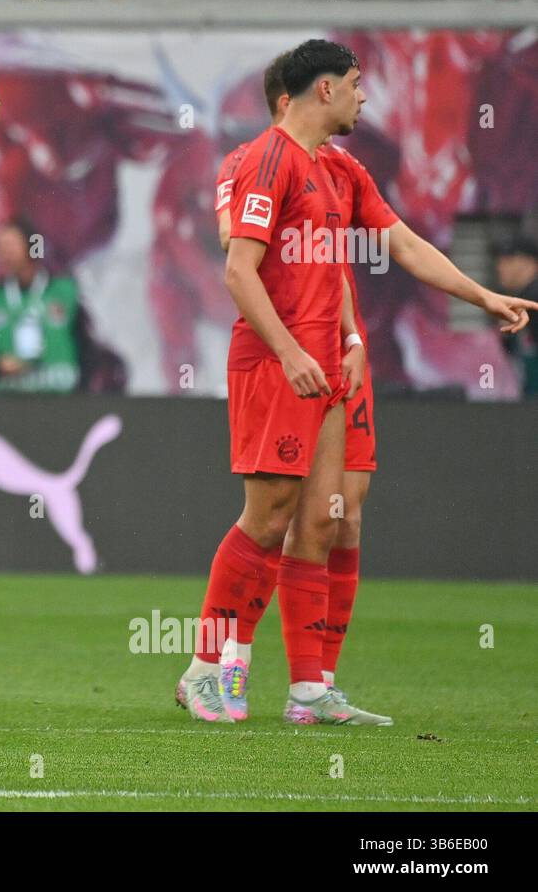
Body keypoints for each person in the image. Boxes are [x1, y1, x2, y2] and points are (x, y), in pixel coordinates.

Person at [181, 50, 538, 725]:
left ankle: (310, 691)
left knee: (328, 516)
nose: (364, 99)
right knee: (268, 517)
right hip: (275, 363)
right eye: (355, 85)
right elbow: (238, 270)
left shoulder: (341, 170)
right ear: (323, 88)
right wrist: (289, 352)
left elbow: (402, 245)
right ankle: (206, 666)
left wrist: (481, 295)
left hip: (328, 365)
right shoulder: (266, 160)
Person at [0, 218, 83, 393]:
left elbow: (85, 347)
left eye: (10, 245)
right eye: (0, 247)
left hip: (61, 401)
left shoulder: (64, 291)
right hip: (5, 403)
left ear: (32, 246)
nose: (4, 253)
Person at [495, 235, 538, 396]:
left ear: (530, 262)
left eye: (508, 260)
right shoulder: (522, 300)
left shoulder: (533, 298)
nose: (500, 267)